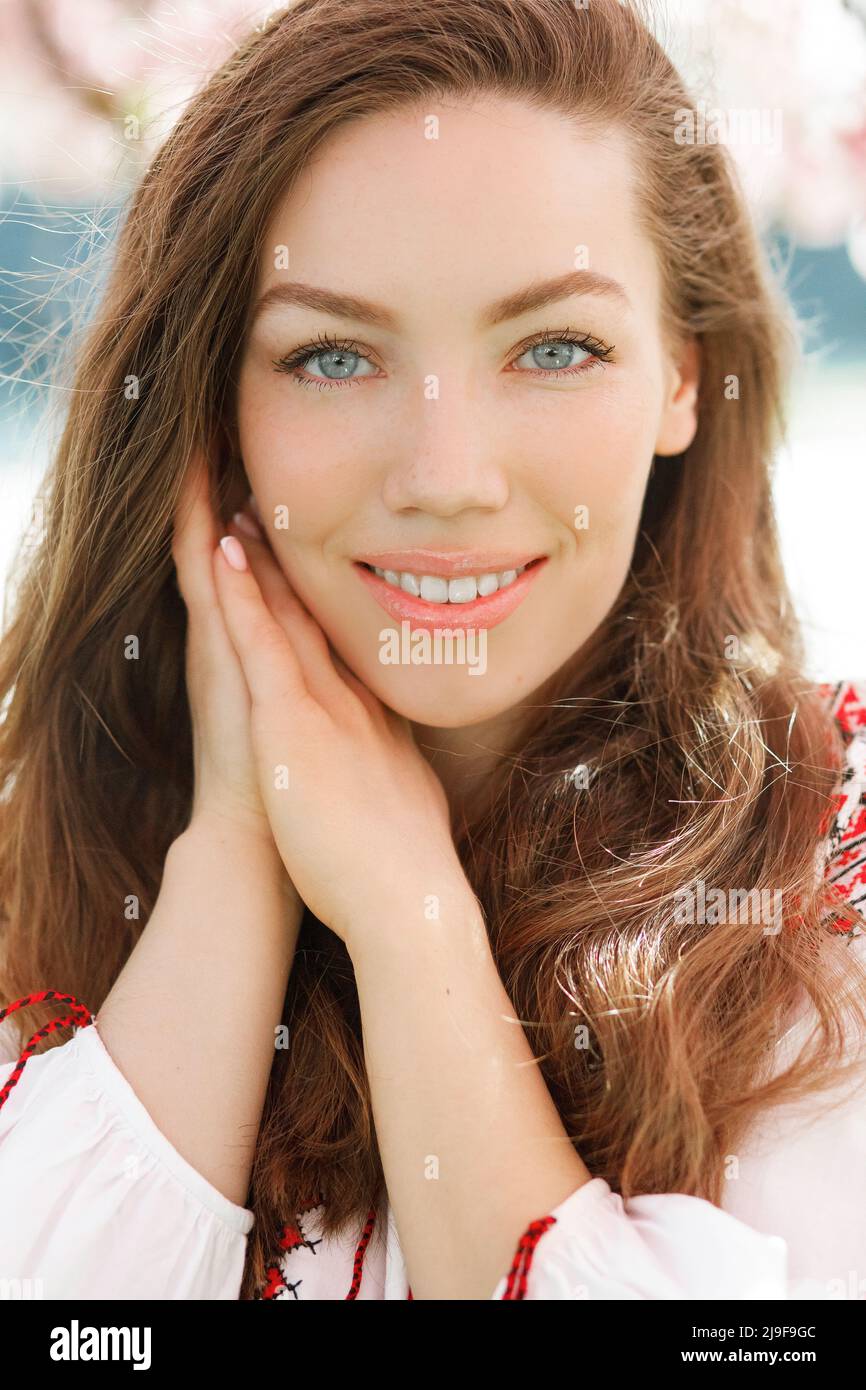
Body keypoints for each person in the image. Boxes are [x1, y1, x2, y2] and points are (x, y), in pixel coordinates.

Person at [1, 0, 865, 1301]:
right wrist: (236, 852)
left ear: (682, 376)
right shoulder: (43, 855)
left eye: (555, 347)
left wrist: (409, 920)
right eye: (333, 355)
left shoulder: (828, 865)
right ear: (213, 411)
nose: (446, 477)